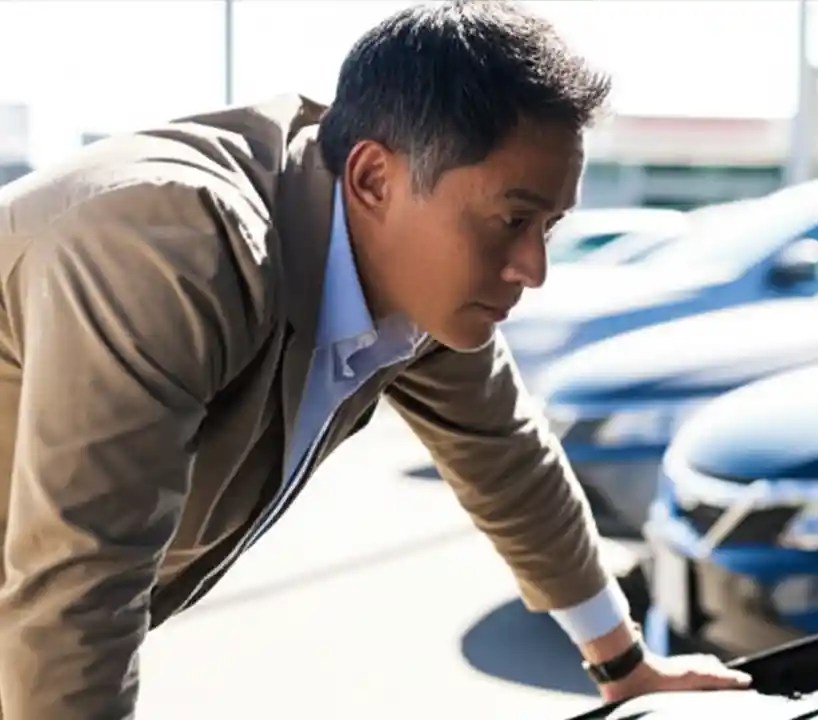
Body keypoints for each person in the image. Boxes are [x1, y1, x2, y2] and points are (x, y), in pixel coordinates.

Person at [0, 1, 751, 717]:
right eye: (514, 219)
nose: (533, 266)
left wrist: (626, 670)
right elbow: (82, 587)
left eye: (548, 227)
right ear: (373, 178)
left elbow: (506, 458)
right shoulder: (168, 248)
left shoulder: (402, 277)